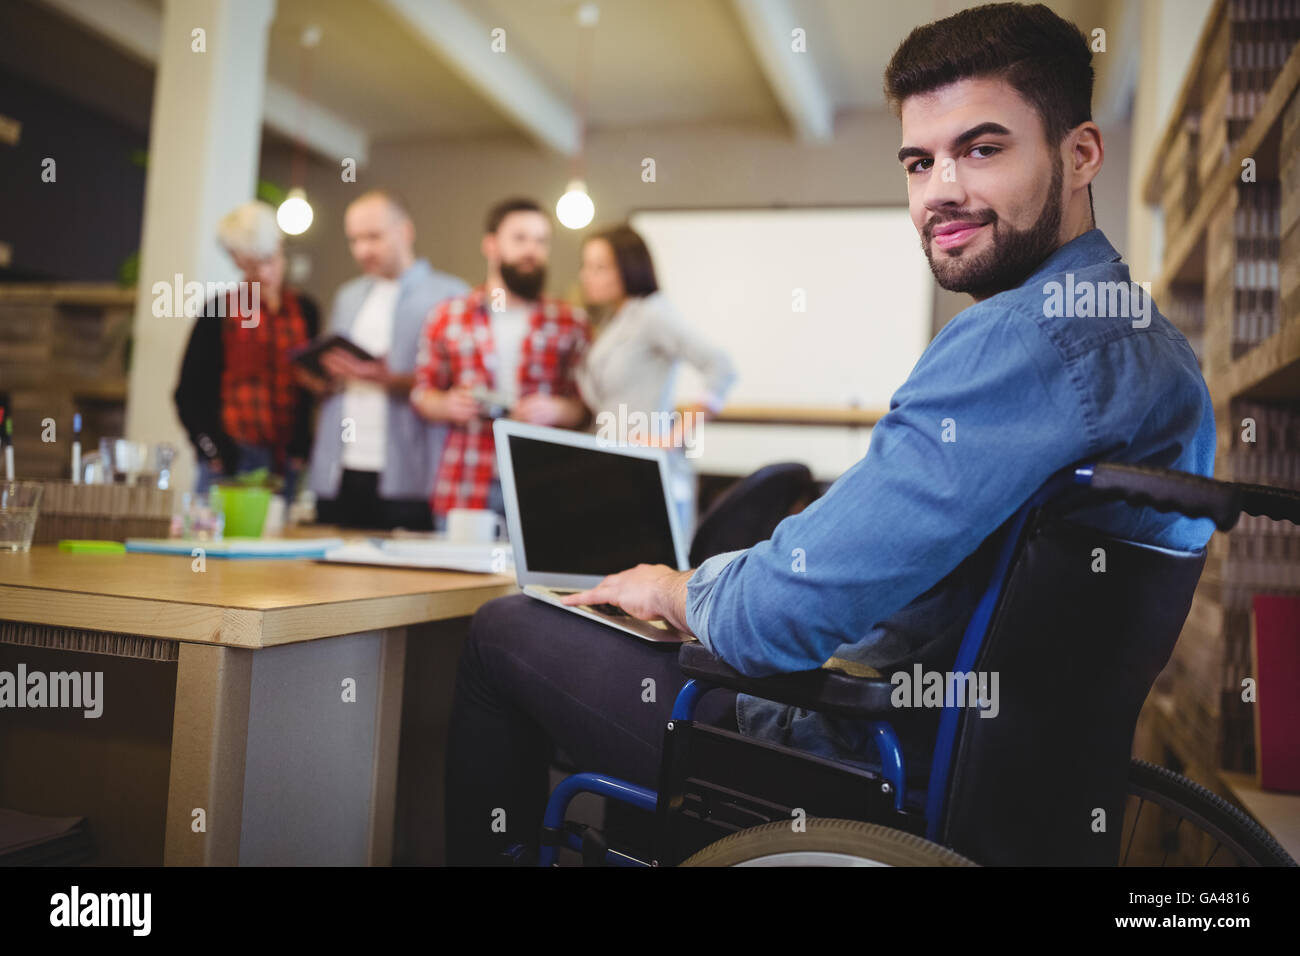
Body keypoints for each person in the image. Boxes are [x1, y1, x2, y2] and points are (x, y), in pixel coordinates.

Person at [443, 2, 1218, 865]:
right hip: (1011, 791)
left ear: (1080, 153)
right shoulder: (1157, 353)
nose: (942, 191)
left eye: (982, 148)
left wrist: (676, 589)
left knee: (503, 628)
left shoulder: (1026, 340)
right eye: (920, 162)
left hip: (863, 762)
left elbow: (782, 617)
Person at [411, 198, 588, 525]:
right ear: (491, 245)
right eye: (520, 238)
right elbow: (422, 394)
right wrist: (448, 404)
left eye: (540, 241)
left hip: (544, 480)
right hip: (465, 482)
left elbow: (587, 405)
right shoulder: (447, 316)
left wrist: (557, 409)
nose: (531, 250)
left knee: (540, 577)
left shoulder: (570, 322)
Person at [305, 190, 468, 530]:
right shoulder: (348, 296)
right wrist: (325, 376)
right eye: (354, 240)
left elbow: (460, 389)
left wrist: (389, 378)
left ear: (405, 231)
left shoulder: (450, 294)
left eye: (374, 237)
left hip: (410, 474)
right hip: (340, 469)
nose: (363, 250)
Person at [575, 225, 736, 536]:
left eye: (600, 267)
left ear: (628, 268)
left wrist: (673, 438)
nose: (587, 276)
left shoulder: (652, 314)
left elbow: (721, 366)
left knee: (649, 573)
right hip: (610, 465)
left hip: (646, 469)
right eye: (586, 266)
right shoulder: (616, 319)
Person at [174, 200, 318, 498]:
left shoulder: (305, 312)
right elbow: (188, 394)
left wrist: (302, 448)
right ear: (237, 260)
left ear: (280, 248)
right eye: (253, 265)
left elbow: (309, 391)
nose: (265, 274)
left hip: (286, 463)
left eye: (270, 261)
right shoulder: (219, 310)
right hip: (232, 457)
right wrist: (213, 451)